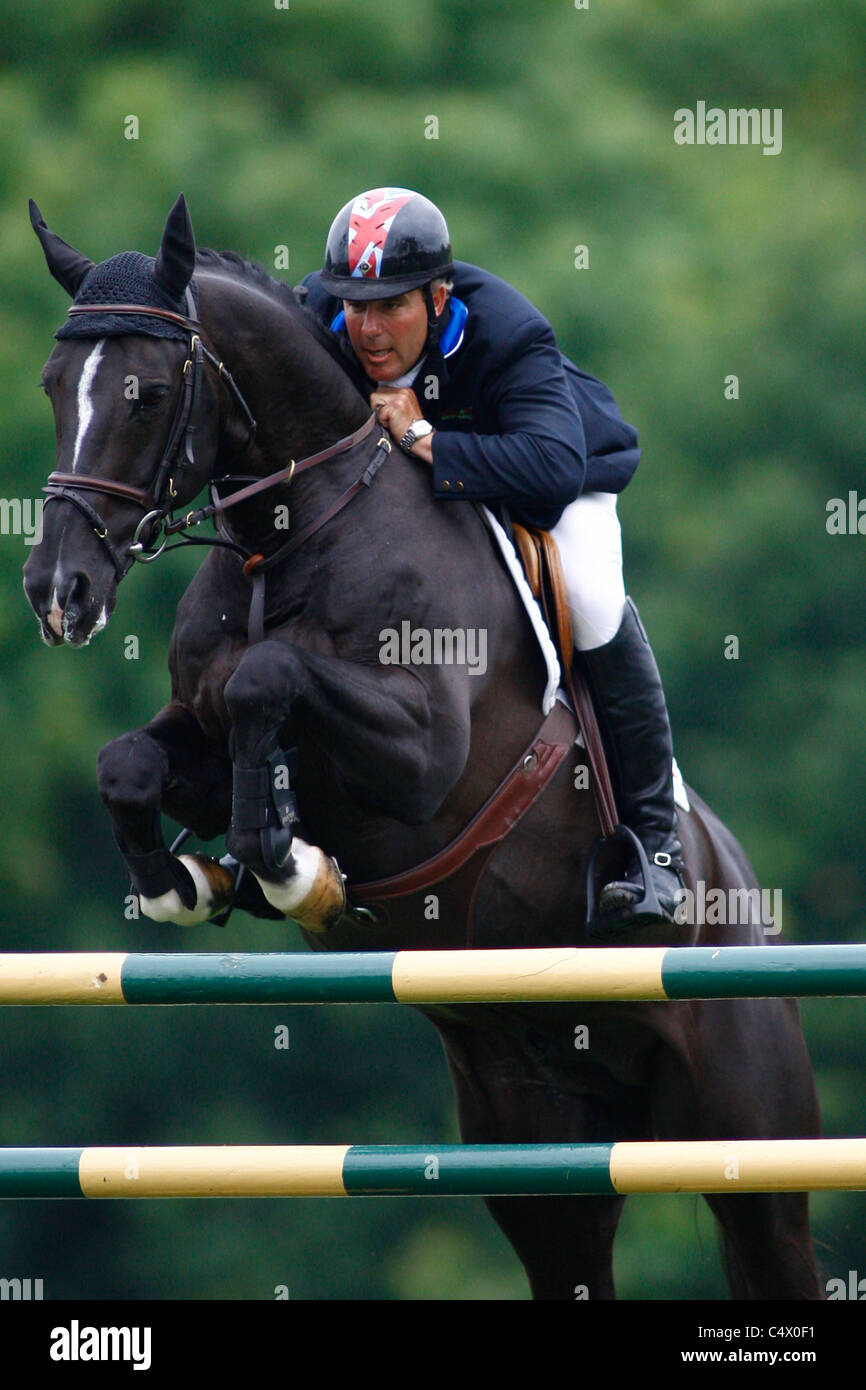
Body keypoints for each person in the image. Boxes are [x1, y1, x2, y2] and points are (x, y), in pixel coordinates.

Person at [298, 186, 683, 928]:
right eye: (355, 305)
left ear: (440, 296)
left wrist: (423, 439)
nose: (368, 329)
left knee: (593, 599)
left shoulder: (506, 330)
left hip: (557, 482)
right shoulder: (323, 312)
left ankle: (655, 848)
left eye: (392, 307)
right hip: (425, 499)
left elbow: (550, 472)